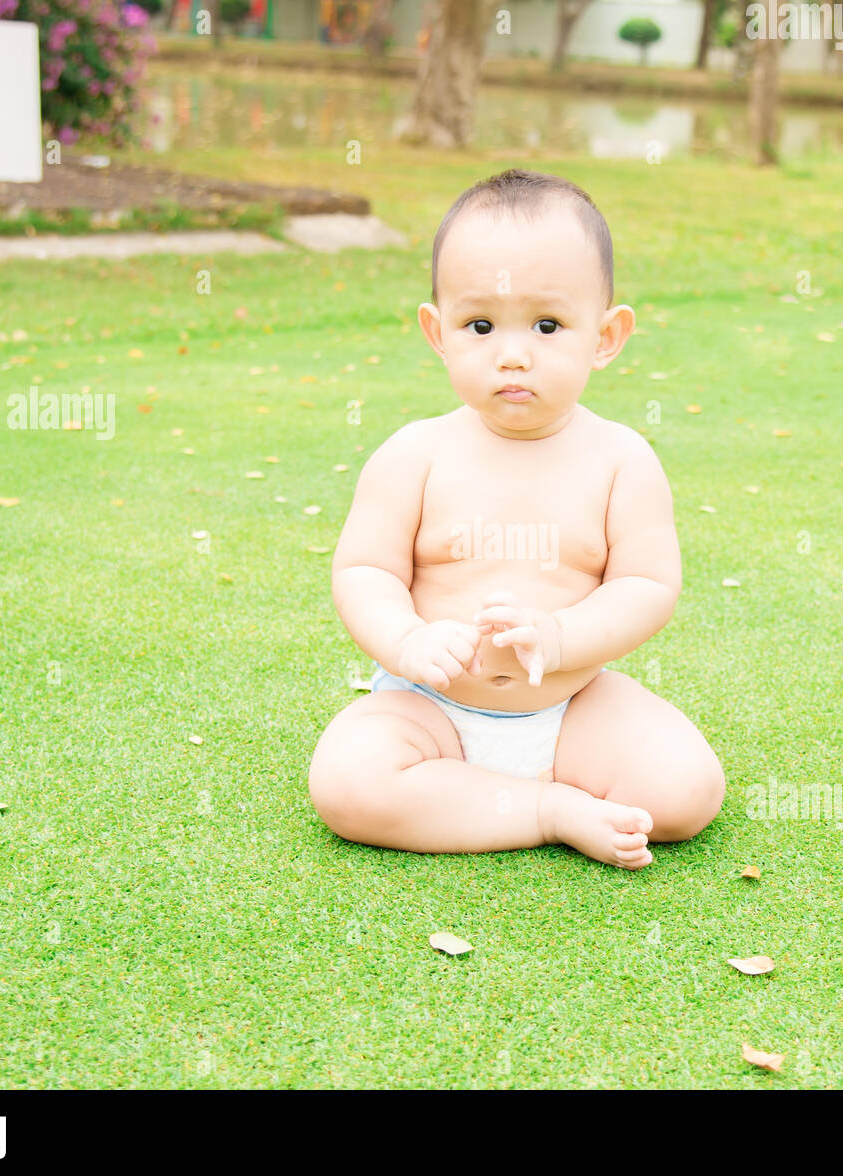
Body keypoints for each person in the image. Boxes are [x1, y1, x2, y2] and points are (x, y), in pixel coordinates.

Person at [308, 169, 725, 870]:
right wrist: (406, 640)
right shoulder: (415, 454)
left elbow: (647, 585)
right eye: (480, 325)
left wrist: (562, 635)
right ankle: (545, 809)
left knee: (686, 788)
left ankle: (505, 791)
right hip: (430, 709)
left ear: (605, 336)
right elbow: (365, 569)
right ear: (437, 332)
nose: (512, 353)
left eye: (547, 325)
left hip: (571, 707)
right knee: (348, 780)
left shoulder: (622, 459)